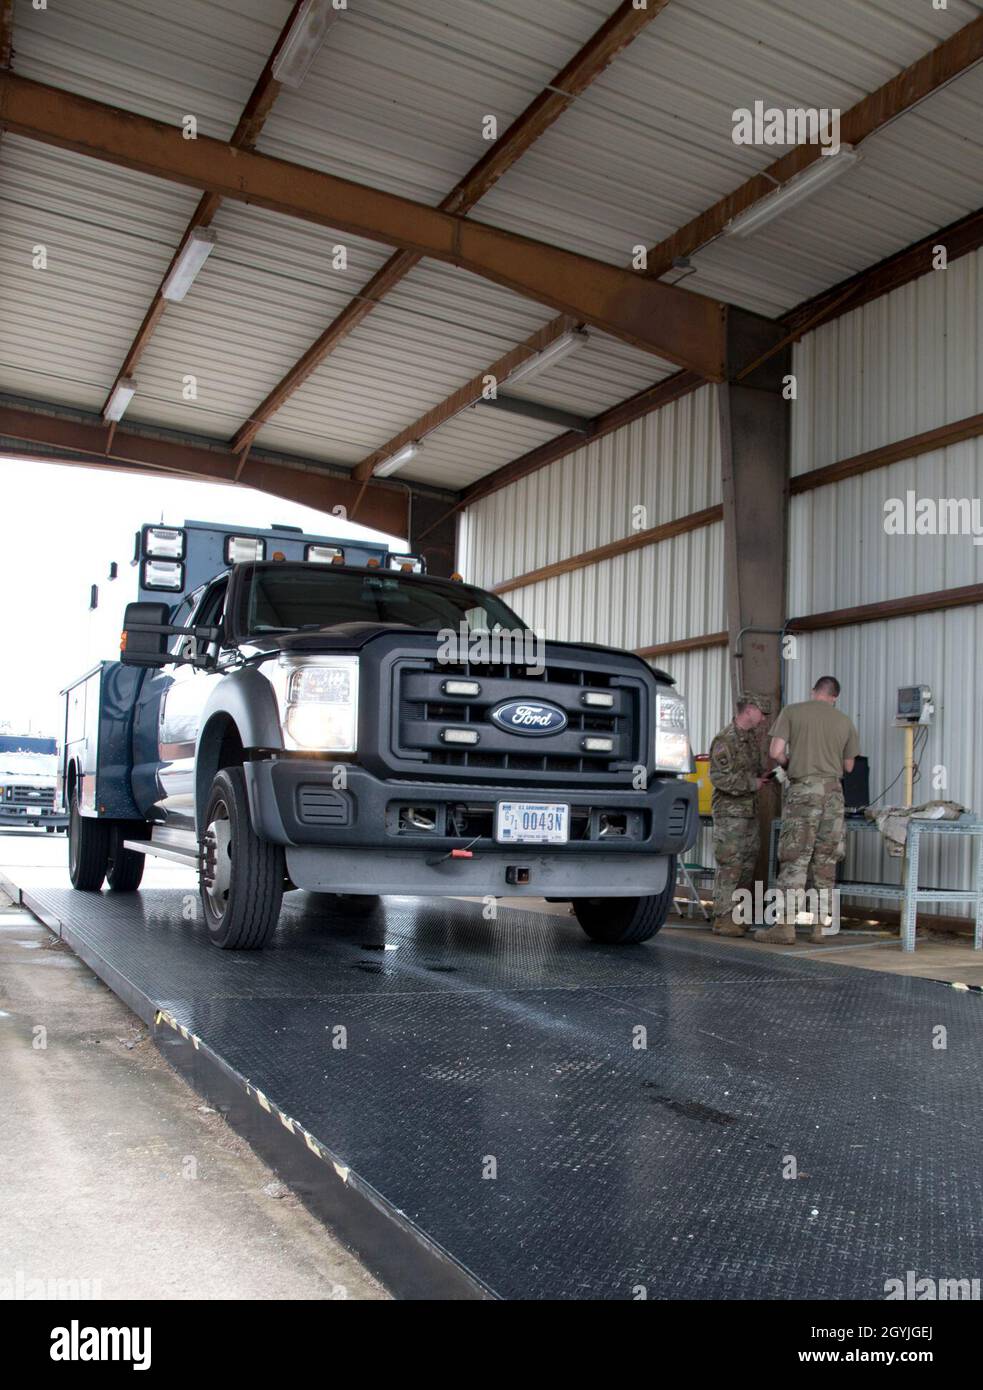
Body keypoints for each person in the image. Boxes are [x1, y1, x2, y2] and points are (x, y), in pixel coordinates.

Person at [754, 676, 860, 945]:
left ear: (814, 691)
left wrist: (791, 762)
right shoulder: (845, 722)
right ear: (835, 696)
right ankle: (819, 928)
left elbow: (776, 751)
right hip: (834, 795)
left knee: (795, 858)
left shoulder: (792, 712)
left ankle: (785, 927)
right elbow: (849, 767)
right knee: (826, 861)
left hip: (804, 792)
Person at [708, 695, 770, 937]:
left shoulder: (750, 740)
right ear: (750, 710)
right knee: (730, 863)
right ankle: (723, 918)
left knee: (746, 864)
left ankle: (735, 914)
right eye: (762, 713)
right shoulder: (726, 740)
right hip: (730, 814)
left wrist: (763, 777)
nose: (764, 719)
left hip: (748, 812)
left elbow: (750, 771)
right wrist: (751, 783)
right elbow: (719, 778)